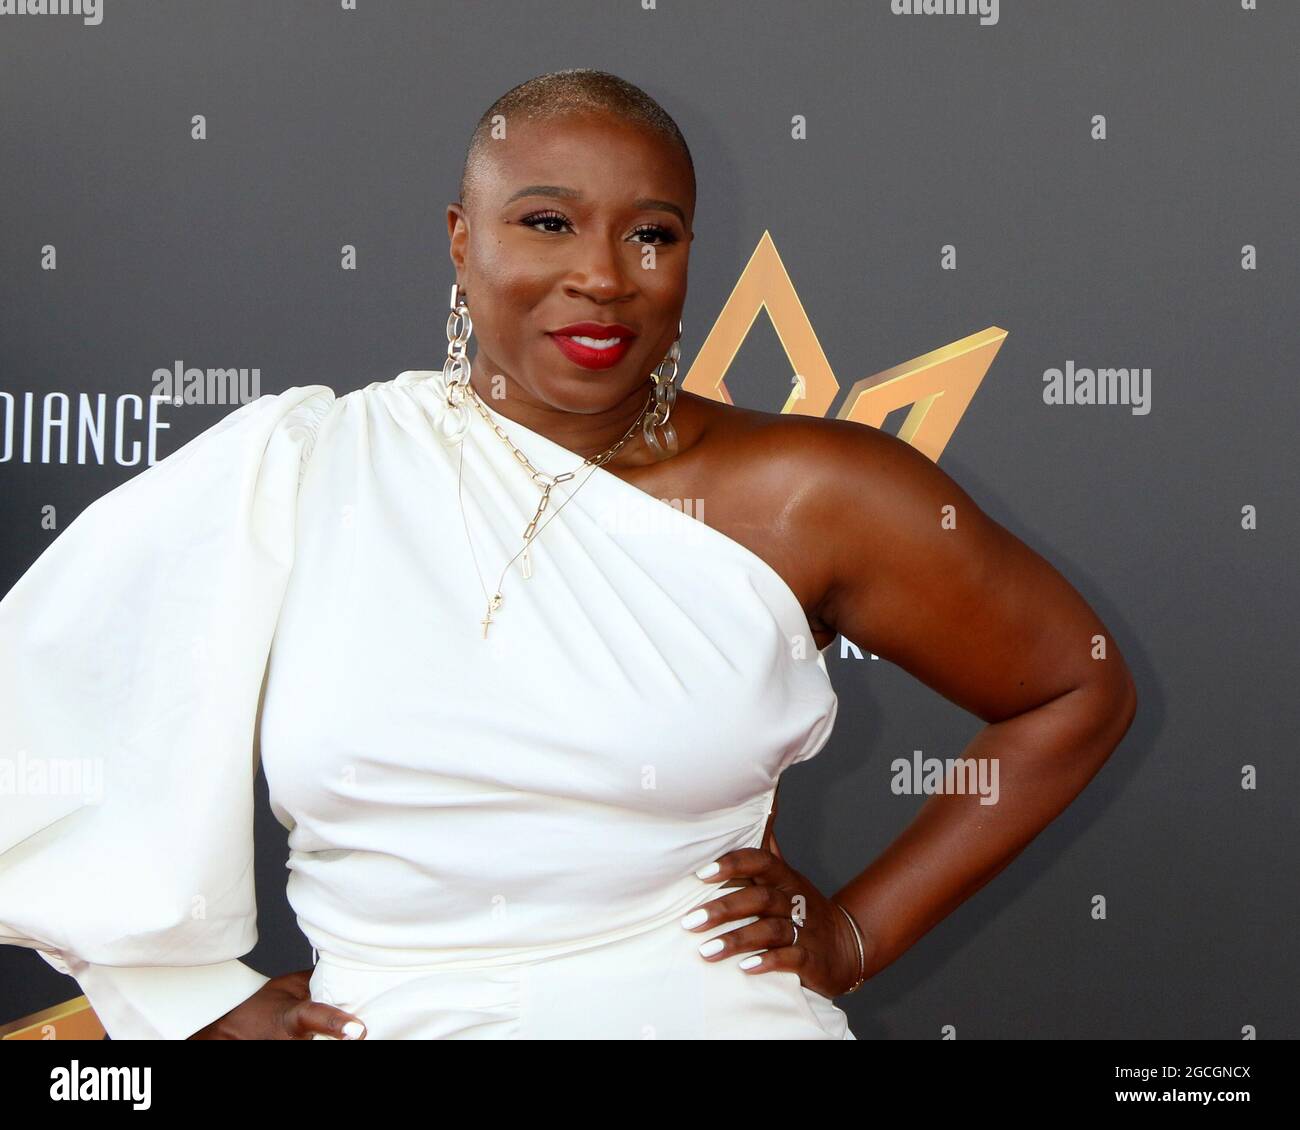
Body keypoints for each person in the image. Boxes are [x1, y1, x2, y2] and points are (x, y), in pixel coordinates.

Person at [0, 69, 1136, 1040]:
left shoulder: (814, 492)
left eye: (651, 232)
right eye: (546, 221)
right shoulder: (306, 468)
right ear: (460, 238)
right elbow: (41, 711)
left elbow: (1071, 683)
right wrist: (188, 993)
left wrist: (852, 929)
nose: (602, 274)